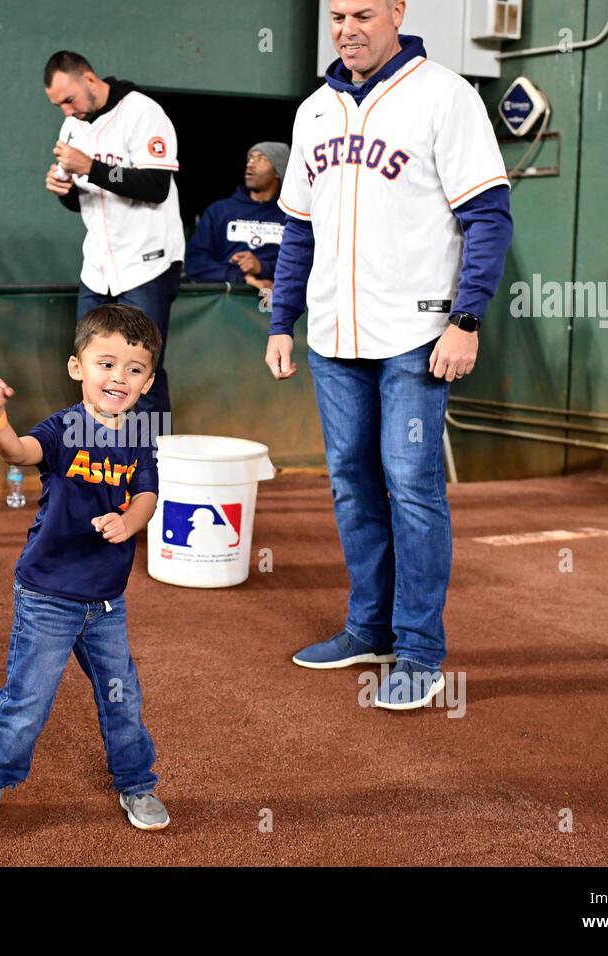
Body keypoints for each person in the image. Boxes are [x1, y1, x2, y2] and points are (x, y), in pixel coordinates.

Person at [269, 0, 513, 709]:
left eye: (363, 12)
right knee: (349, 482)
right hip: (334, 338)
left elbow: (488, 216)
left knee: (410, 485)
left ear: (398, 11)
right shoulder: (313, 111)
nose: (347, 27)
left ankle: (419, 650)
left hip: (417, 334)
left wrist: (467, 320)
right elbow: (297, 232)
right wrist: (283, 320)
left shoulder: (445, 95)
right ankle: (367, 628)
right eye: (337, 14)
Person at [0, 304, 169, 832]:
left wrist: (130, 522)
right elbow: (17, 452)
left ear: (148, 382)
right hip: (48, 593)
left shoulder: (140, 434)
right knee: (29, 696)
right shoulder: (61, 429)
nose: (119, 377)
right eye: (106, 363)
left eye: (134, 369)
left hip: (106, 601)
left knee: (122, 696)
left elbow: (147, 495)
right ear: (78, 368)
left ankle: (137, 784)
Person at [43, 50, 182, 434]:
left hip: (146, 261)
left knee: (140, 369)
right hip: (98, 265)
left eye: (69, 99)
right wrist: (63, 190)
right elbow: (82, 198)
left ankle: (152, 474)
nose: (66, 111)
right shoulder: (73, 126)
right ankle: (101, 467)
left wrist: (90, 167)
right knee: (92, 371)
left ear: (89, 79)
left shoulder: (142, 111)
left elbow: (156, 186)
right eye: (58, 105)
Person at [185, 143, 289, 291]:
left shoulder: (290, 217)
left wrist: (262, 267)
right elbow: (195, 262)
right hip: (226, 305)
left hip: (277, 303)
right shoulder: (219, 211)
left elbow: (304, 264)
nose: (251, 164)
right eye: (250, 158)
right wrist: (242, 277)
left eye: (262, 159)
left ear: (278, 172)